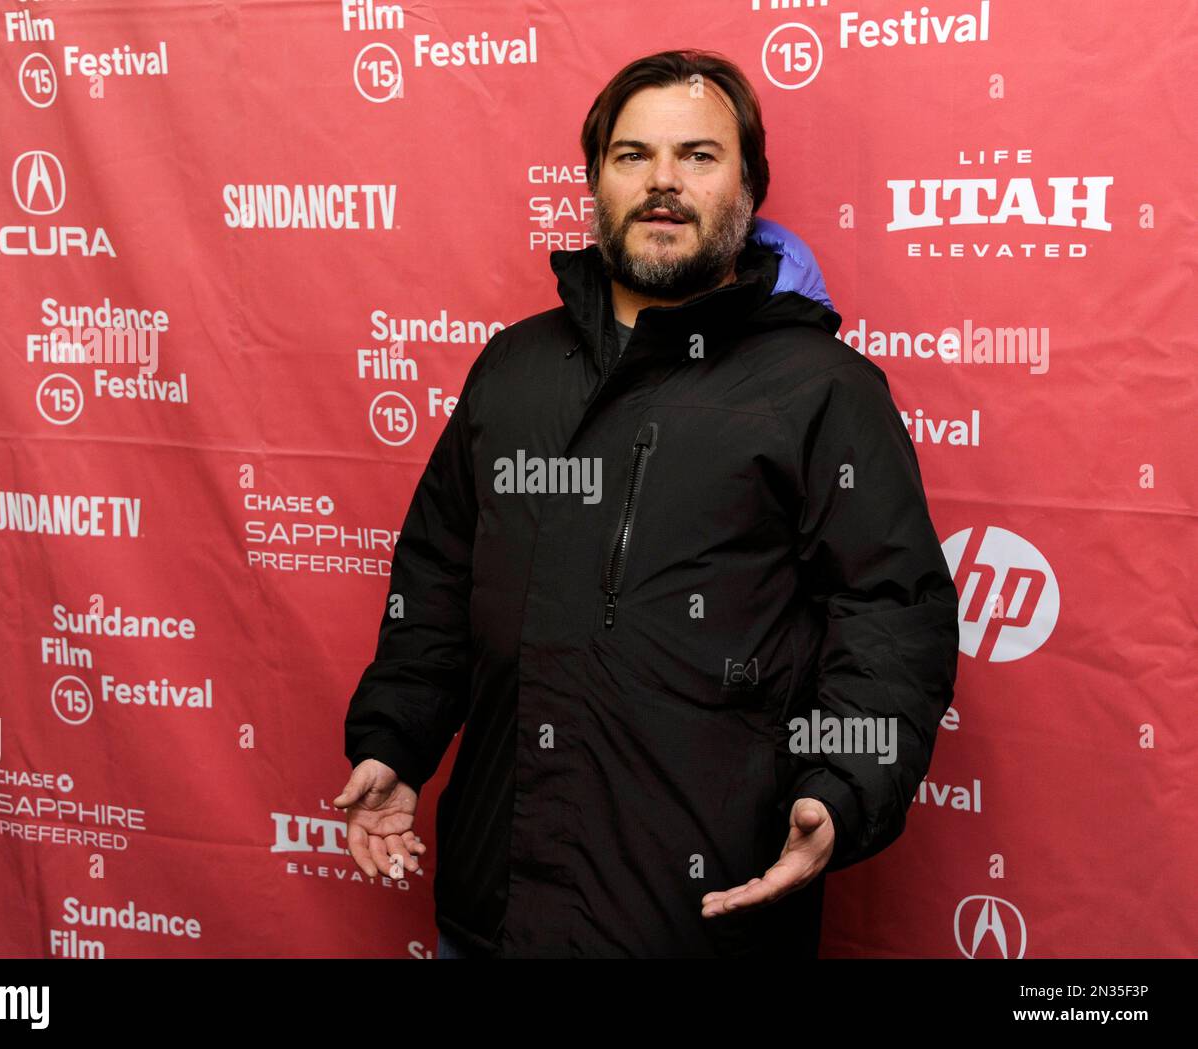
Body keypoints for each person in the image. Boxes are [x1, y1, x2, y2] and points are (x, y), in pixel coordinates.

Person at [334, 49, 959, 959]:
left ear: (748, 187)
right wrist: (395, 741)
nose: (663, 181)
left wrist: (843, 783)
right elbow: (436, 580)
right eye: (633, 156)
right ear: (597, 180)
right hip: (492, 912)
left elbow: (892, 614)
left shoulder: (823, 389)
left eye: (698, 156)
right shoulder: (513, 369)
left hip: (703, 920)